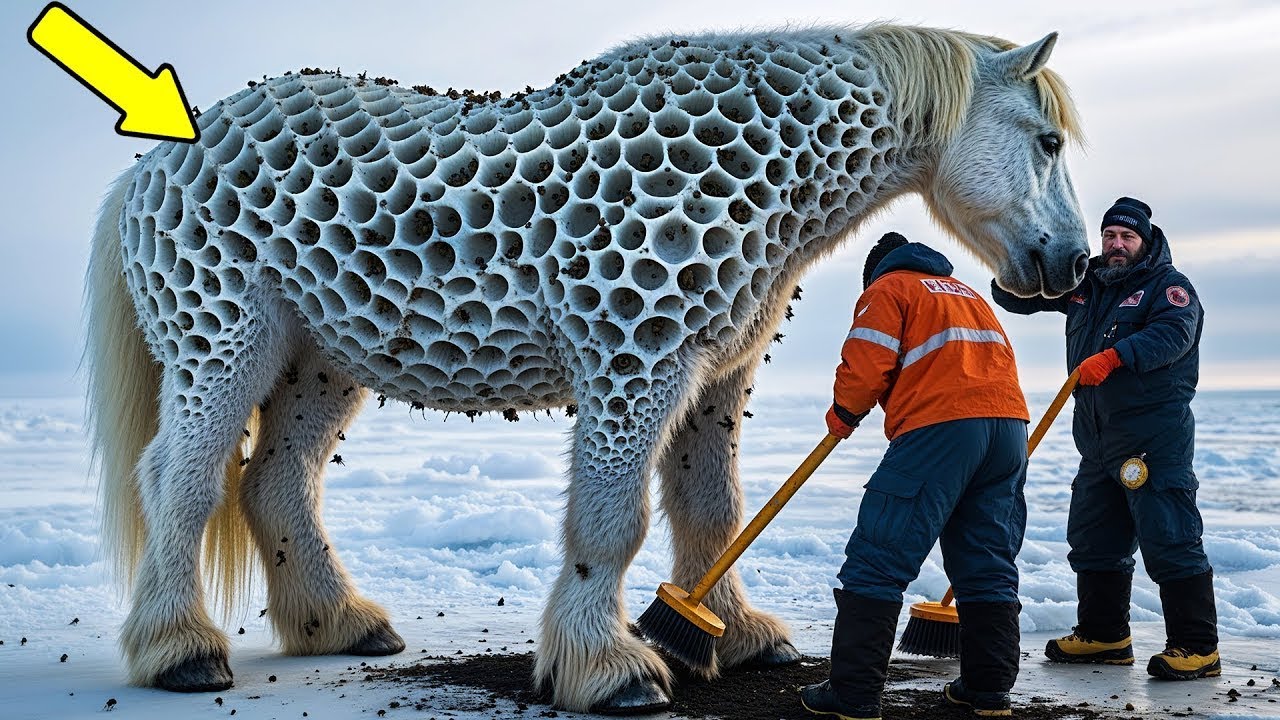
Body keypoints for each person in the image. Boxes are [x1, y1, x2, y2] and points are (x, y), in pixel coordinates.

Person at [801, 232, 1031, 720]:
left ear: (876, 270)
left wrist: (844, 412)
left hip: (941, 428)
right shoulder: (965, 294)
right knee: (986, 559)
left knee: (879, 555)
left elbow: (867, 364)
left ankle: (854, 694)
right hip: (1007, 429)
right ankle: (989, 692)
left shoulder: (888, 289)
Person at [990, 197, 1218, 680]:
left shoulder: (1169, 288)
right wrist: (1010, 264)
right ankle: (1105, 637)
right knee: (1094, 538)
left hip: (1153, 441)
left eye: (1127, 237)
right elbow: (1018, 298)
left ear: (1145, 240)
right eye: (1110, 236)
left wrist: (1115, 356)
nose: (1116, 245)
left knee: (1169, 538)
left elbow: (1173, 335)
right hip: (1096, 441)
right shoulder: (1088, 283)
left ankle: (1198, 647)